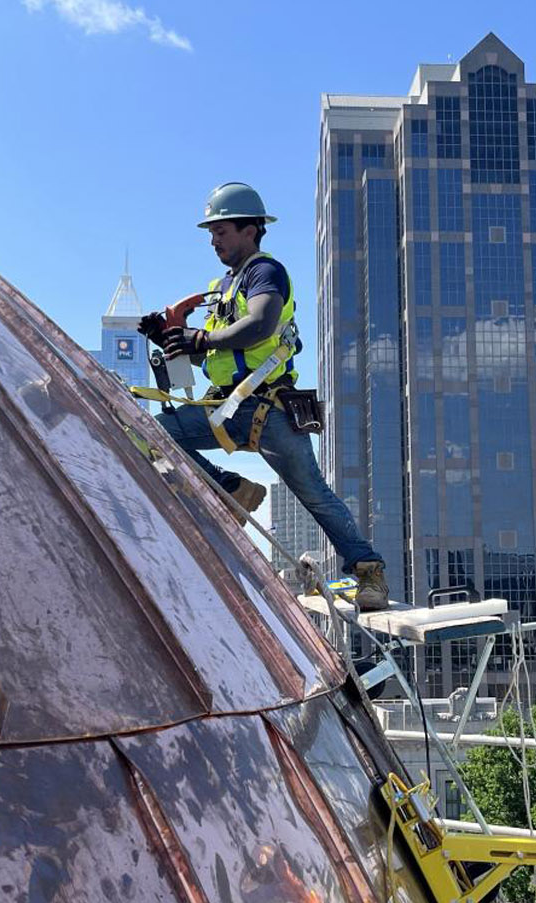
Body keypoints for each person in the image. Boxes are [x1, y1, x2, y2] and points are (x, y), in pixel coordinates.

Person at [146, 181, 389, 610]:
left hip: (269, 408)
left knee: (313, 493)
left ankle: (368, 572)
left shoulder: (266, 273)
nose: (214, 239)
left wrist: (199, 338)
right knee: (153, 432)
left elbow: (259, 325)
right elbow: (219, 358)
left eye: (222, 230)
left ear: (251, 230)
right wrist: (173, 339)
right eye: (212, 232)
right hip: (226, 406)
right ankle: (229, 488)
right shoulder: (224, 285)